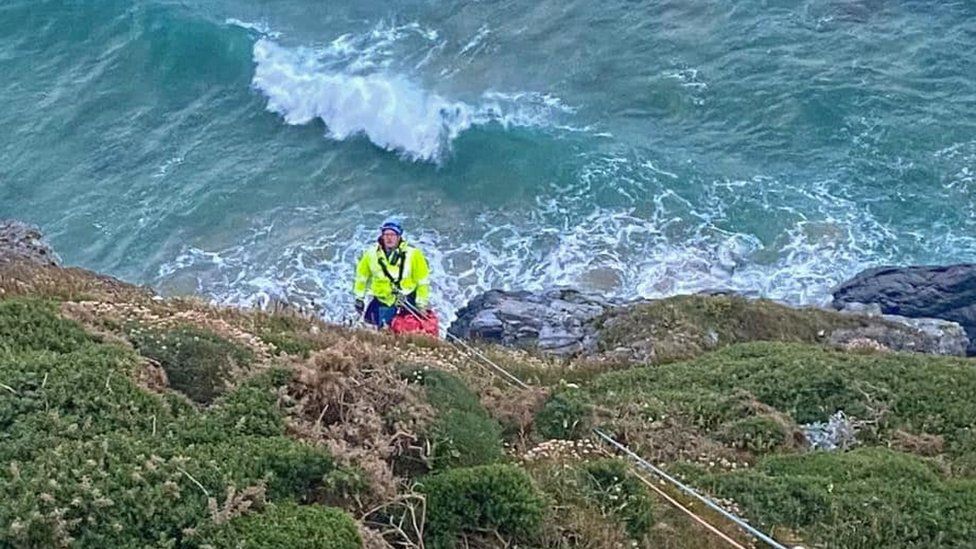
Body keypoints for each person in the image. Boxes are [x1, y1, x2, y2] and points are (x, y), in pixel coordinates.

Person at [353, 219, 431, 328]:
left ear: (399, 237)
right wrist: (359, 298)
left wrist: (421, 305)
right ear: (382, 236)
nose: (389, 238)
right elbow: (362, 277)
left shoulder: (414, 255)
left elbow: (423, 282)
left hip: (406, 302)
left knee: (406, 331)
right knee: (372, 327)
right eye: (386, 234)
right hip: (382, 300)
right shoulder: (370, 254)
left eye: (393, 234)